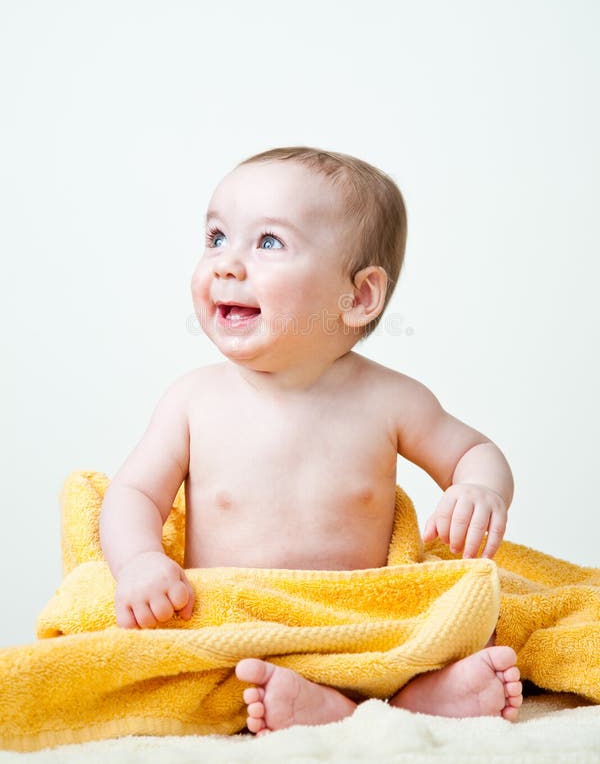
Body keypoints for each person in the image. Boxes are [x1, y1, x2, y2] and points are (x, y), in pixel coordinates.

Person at [99, 146, 523, 734]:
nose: (226, 264)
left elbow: (475, 452)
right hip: (239, 623)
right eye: (216, 236)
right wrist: (141, 562)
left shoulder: (389, 400)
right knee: (182, 660)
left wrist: (480, 490)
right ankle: (325, 700)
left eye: (268, 243)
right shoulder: (193, 400)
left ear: (358, 297)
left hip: (361, 622)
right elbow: (132, 495)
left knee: (458, 605)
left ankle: (411, 692)